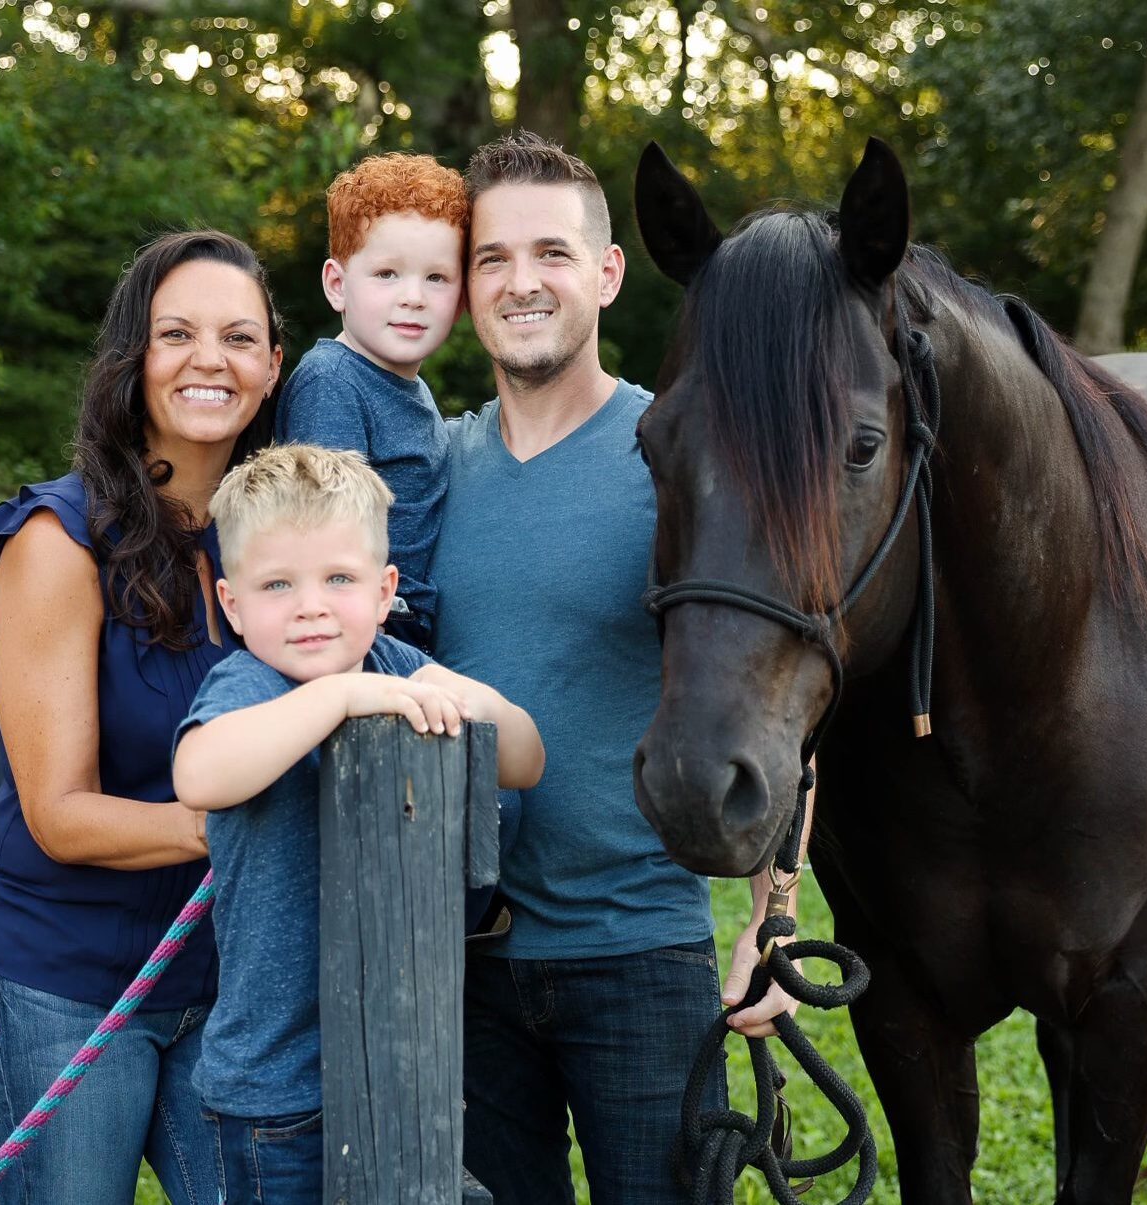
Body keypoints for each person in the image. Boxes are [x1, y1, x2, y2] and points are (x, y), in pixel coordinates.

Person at [430, 131, 808, 1203]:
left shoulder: (684, 457)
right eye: (492, 258)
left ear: (605, 272)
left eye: (551, 252)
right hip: (463, 959)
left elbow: (788, 696)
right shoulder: (427, 470)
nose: (521, 282)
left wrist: (772, 923)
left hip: (639, 951)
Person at [0, 230, 283, 1205]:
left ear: (273, 366)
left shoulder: (274, 549)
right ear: (132, 360)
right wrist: (259, 825)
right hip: (71, 981)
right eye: (176, 332)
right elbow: (62, 811)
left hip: (231, 991)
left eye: (238, 336)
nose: (209, 358)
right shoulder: (59, 543)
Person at [172, 443, 545, 1205]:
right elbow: (199, 774)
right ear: (232, 603)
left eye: (338, 579)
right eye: (277, 584)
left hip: (394, 1068)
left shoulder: (397, 660)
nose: (310, 605)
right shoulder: (247, 682)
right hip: (277, 1093)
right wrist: (341, 698)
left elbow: (528, 758)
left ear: (384, 591)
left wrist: (473, 702)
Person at [274, 152, 468, 651]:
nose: (413, 297)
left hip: (408, 624)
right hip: (366, 633)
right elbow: (323, 534)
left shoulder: (412, 387)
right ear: (337, 286)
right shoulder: (331, 382)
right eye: (386, 274)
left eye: (436, 278)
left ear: (462, 296)